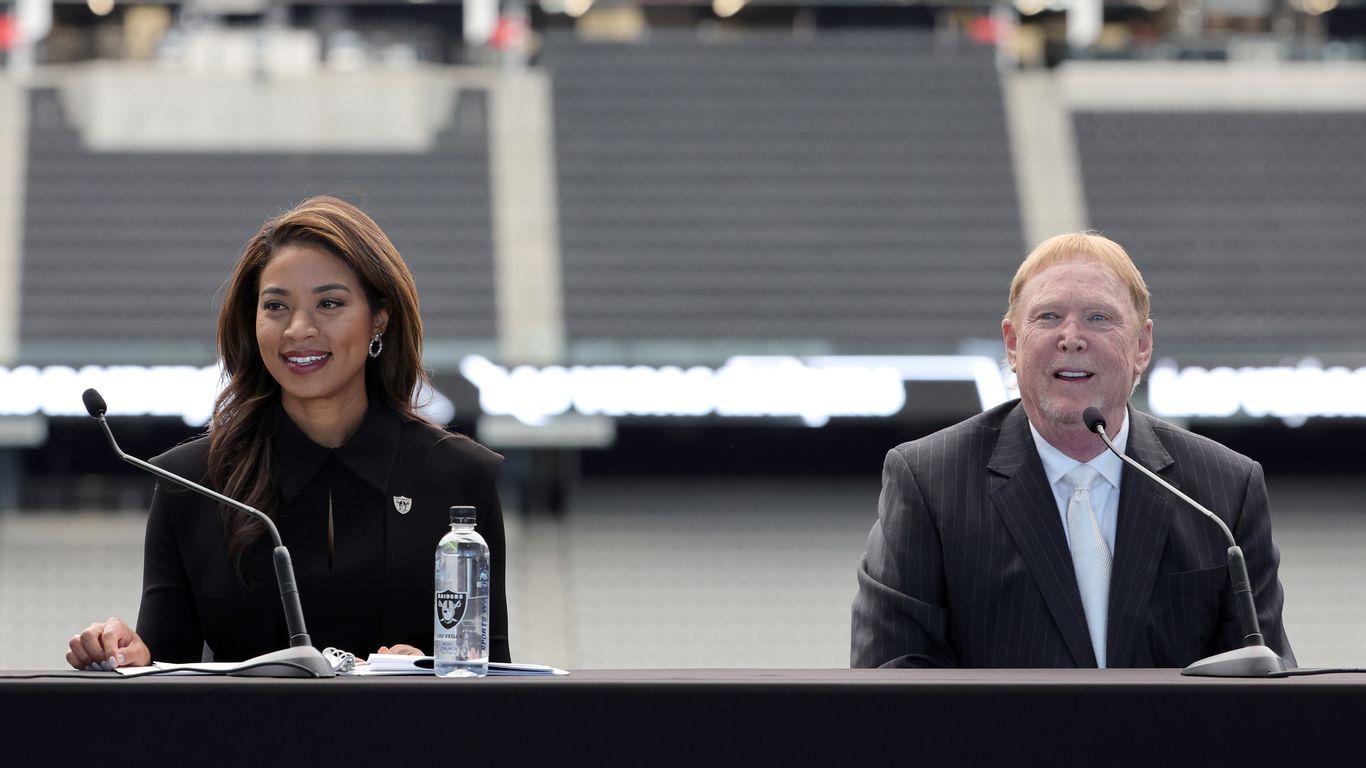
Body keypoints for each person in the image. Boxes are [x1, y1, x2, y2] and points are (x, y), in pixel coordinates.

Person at [67, 195, 510, 669]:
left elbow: (494, 679)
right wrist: (124, 653)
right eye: (276, 305)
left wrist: (426, 671)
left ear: (379, 317)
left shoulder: (460, 477)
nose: (299, 329)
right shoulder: (192, 482)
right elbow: (163, 669)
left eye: (330, 303)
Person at [851, 232, 1294, 669]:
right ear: (1012, 344)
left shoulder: (1224, 491)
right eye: (1047, 317)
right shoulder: (929, 481)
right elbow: (892, 674)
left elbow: (1263, 681)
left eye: (1099, 318)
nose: (1071, 337)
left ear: (1142, 345)